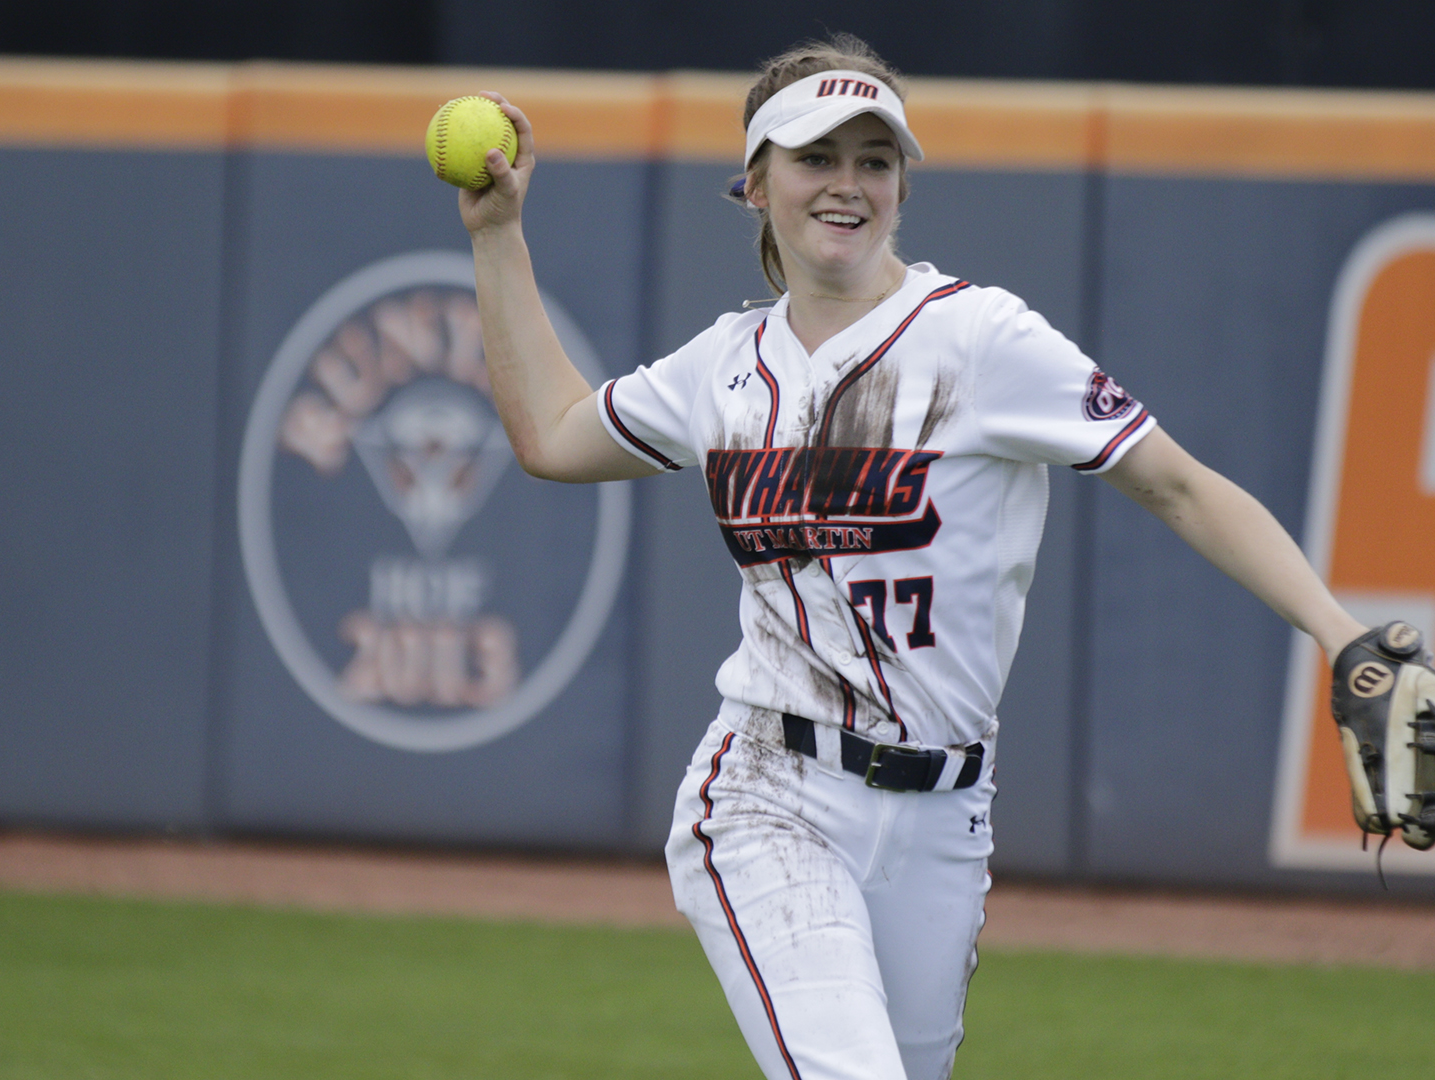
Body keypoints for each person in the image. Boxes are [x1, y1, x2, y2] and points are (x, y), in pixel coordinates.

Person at [459, 34, 1367, 1080]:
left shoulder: (982, 340)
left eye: (874, 159)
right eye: (815, 156)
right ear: (755, 184)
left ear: (902, 183)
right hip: (767, 791)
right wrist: (497, 235)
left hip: (945, 820)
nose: (847, 184)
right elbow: (554, 434)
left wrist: (1340, 634)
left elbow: (1178, 483)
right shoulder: (723, 366)